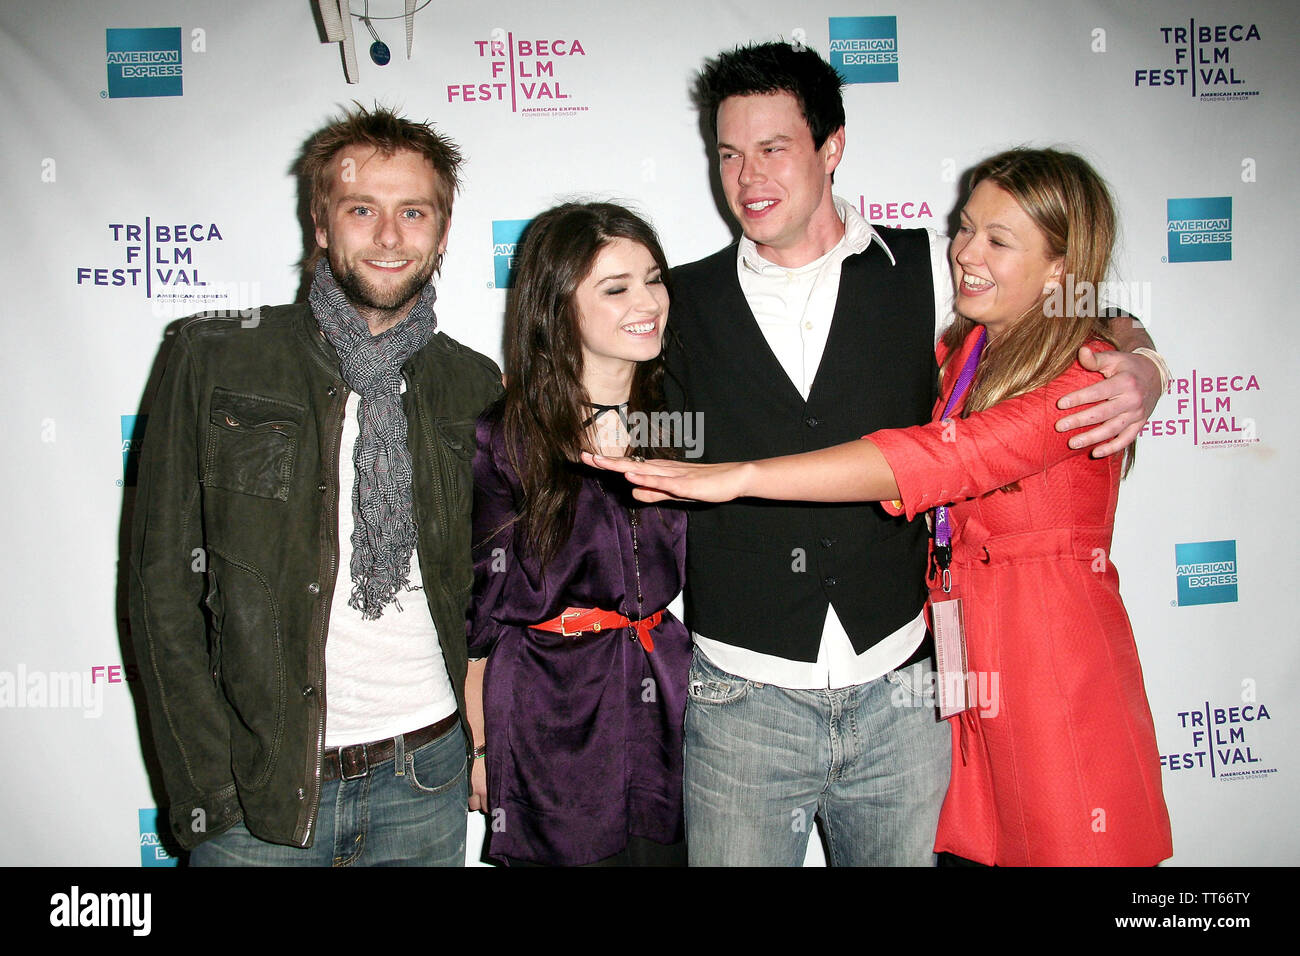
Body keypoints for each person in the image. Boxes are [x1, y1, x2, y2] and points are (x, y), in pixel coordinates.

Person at [589, 147, 1174, 866]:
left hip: (1050, 676)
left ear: (1059, 270)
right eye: (966, 228)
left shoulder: (1080, 379)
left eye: (998, 240)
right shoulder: (967, 352)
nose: (965, 253)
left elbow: (944, 458)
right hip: (962, 679)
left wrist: (740, 476)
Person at [129, 105, 503, 865]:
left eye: (413, 212)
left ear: (443, 231)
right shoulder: (215, 357)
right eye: (362, 210)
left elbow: (491, 591)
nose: (389, 236)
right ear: (321, 224)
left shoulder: (472, 383)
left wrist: (482, 745)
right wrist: (209, 787)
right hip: (261, 795)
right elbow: (160, 588)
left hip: (426, 779)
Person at [466, 202, 691, 866]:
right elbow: (477, 614)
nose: (648, 302)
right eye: (616, 289)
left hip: (664, 700)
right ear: (558, 308)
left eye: (654, 279)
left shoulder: (678, 422)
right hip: (550, 709)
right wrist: (480, 748)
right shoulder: (506, 437)